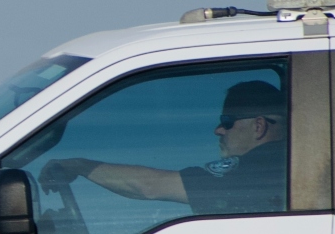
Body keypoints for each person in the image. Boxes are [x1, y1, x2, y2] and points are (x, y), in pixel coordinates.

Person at [39, 80, 288, 215]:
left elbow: (148, 187)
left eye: (227, 122)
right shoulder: (285, 162)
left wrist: (80, 166)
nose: (218, 130)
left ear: (258, 126)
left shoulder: (256, 170)